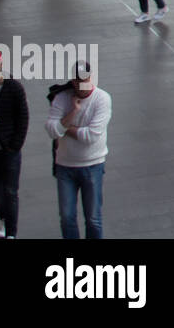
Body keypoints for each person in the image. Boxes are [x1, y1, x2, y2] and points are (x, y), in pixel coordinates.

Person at [46, 61, 111, 239]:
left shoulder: (102, 99)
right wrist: (73, 112)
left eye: (85, 79)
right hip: (65, 166)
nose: (82, 84)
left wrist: (65, 127)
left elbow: (91, 136)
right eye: (78, 80)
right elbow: (51, 130)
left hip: (93, 165)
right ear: (73, 81)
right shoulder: (61, 98)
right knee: (67, 218)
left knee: (93, 218)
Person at [0, 48, 29, 238]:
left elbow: (23, 117)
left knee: (10, 191)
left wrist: (15, 145)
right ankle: (4, 218)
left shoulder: (13, 88)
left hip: (8, 150)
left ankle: (11, 231)